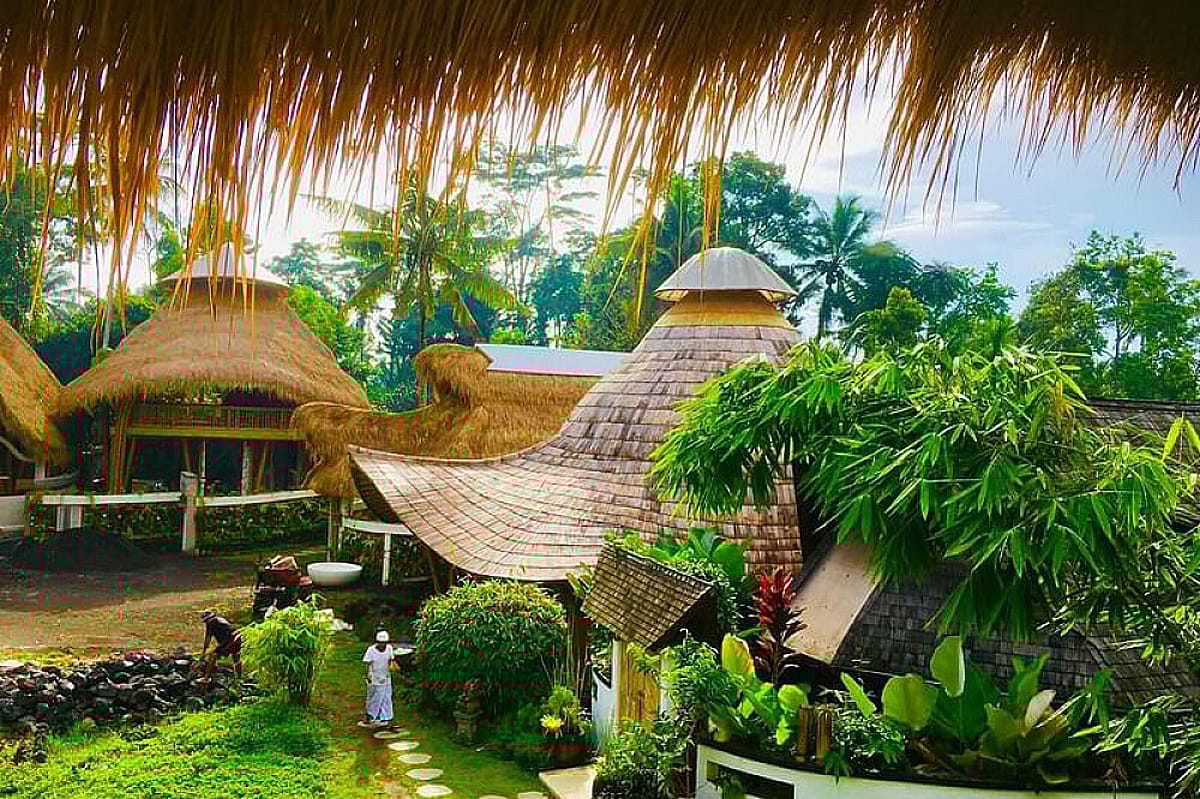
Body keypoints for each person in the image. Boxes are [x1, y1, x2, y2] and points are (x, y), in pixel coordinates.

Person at [360, 630, 395, 729]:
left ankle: (386, 718)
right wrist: (367, 675)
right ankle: (370, 715)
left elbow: (391, 660)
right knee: (374, 697)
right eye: (380, 643)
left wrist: (392, 667)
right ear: (377, 642)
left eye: (384, 643)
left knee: (386, 697)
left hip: (385, 677)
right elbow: (367, 664)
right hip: (374, 677)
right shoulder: (371, 650)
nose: (382, 645)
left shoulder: (389, 649)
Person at [199, 610, 243, 679]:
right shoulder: (212, 622)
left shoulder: (217, 623)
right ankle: (238, 677)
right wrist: (204, 652)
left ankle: (206, 677)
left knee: (214, 655)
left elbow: (209, 638)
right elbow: (208, 638)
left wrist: (207, 652)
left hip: (232, 640)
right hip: (231, 639)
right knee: (235, 657)